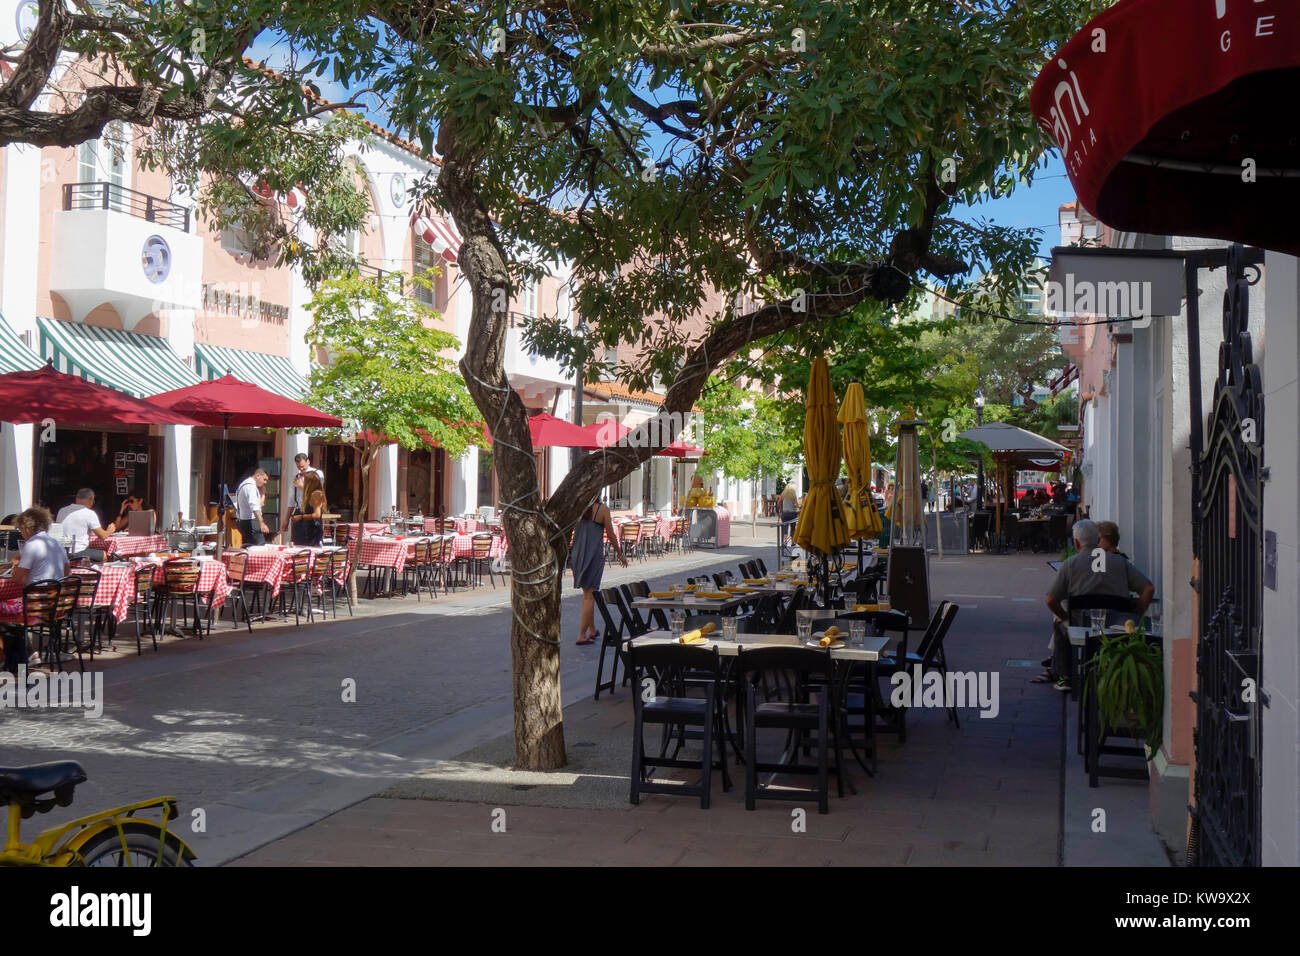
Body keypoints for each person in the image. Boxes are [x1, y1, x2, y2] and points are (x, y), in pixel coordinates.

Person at [1036, 519, 1154, 692]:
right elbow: (1148, 588)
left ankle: (1065, 677)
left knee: (1059, 623)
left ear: (1076, 543)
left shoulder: (1070, 564)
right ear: (1097, 540)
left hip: (1081, 626)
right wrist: (1137, 612)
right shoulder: (1119, 562)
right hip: (1117, 627)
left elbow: (1050, 600)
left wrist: (1065, 616)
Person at [3, 506, 69, 673]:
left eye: (20, 529)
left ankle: (11, 657)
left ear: (26, 527)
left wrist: (16, 566)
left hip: (34, 605)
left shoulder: (31, 545)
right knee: (10, 617)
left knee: (5, 612)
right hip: (55, 606)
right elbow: (67, 573)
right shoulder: (55, 543)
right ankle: (28, 653)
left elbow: (17, 579)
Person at [571, 497, 627, 645]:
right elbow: (611, 534)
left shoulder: (579, 506)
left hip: (577, 554)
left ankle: (592, 629)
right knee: (590, 596)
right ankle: (581, 635)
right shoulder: (602, 509)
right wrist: (620, 554)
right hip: (592, 554)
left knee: (587, 594)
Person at [58, 488, 120, 561]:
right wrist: (110, 530)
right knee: (104, 555)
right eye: (93, 501)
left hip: (61, 552)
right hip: (77, 552)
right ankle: (96, 571)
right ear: (90, 499)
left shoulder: (62, 511)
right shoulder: (89, 513)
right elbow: (103, 535)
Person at [284, 453, 324, 531]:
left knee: (311, 540)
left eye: (302, 466)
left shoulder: (317, 473)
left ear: (308, 461)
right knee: (297, 540)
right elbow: (292, 500)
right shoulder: (296, 477)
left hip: (312, 511)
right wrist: (286, 520)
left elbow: (318, 492)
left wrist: (302, 486)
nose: (301, 469)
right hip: (298, 510)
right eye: (298, 467)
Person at [235, 469, 271, 546]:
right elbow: (254, 506)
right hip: (251, 521)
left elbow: (257, 504)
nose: (265, 482)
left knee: (249, 547)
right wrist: (261, 523)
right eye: (264, 479)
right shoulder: (250, 487)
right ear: (257, 476)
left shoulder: (245, 484)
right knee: (259, 547)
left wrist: (263, 494)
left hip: (244, 520)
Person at [291, 473, 326, 546]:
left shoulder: (316, 494)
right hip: (307, 529)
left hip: (313, 531)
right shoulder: (310, 494)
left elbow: (317, 514)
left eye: (305, 481)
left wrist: (301, 517)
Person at [778, 483, 799, 550]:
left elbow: (779, 502)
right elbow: (796, 504)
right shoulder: (793, 495)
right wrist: (798, 507)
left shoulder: (783, 494)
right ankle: (793, 543)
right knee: (793, 528)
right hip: (792, 513)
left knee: (785, 528)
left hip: (784, 514)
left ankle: (785, 542)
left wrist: (782, 509)